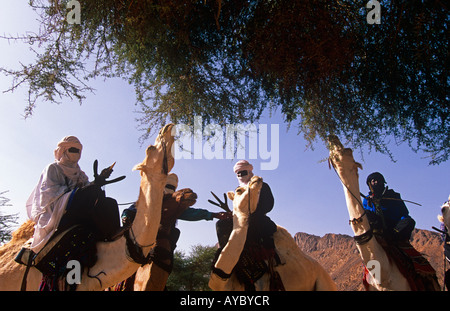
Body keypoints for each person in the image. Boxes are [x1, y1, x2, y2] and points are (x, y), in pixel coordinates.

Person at [26, 136, 122, 253]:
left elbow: (87, 189)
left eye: (78, 151)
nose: (76, 153)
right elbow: (49, 194)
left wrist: (100, 179)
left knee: (110, 202)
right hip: (58, 208)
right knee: (92, 192)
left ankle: (114, 235)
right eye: (73, 150)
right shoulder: (53, 168)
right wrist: (82, 190)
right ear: (63, 150)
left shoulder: (80, 174)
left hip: (78, 203)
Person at [215, 160, 277, 249]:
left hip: (258, 217)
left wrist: (255, 213)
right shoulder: (238, 190)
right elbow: (238, 207)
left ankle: (270, 255)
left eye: (242, 172)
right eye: (238, 174)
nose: (240, 175)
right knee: (221, 224)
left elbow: (269, 204)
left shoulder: (262, 185)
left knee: (263, 228)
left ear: (249, 171)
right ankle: (225, 251)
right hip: (241, 219)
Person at [362, 172, 415, 242]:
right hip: (378, 224)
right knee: (365, 213)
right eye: (373, 181)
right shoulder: (367, 199)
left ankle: (392, 236)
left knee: (410, 221)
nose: (376, 182)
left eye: (379, 180)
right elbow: (366, 213)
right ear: (369, 184)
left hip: (395, 226)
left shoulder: (394, 196)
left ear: (383, 182)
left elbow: (404, 213)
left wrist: (400, 226)